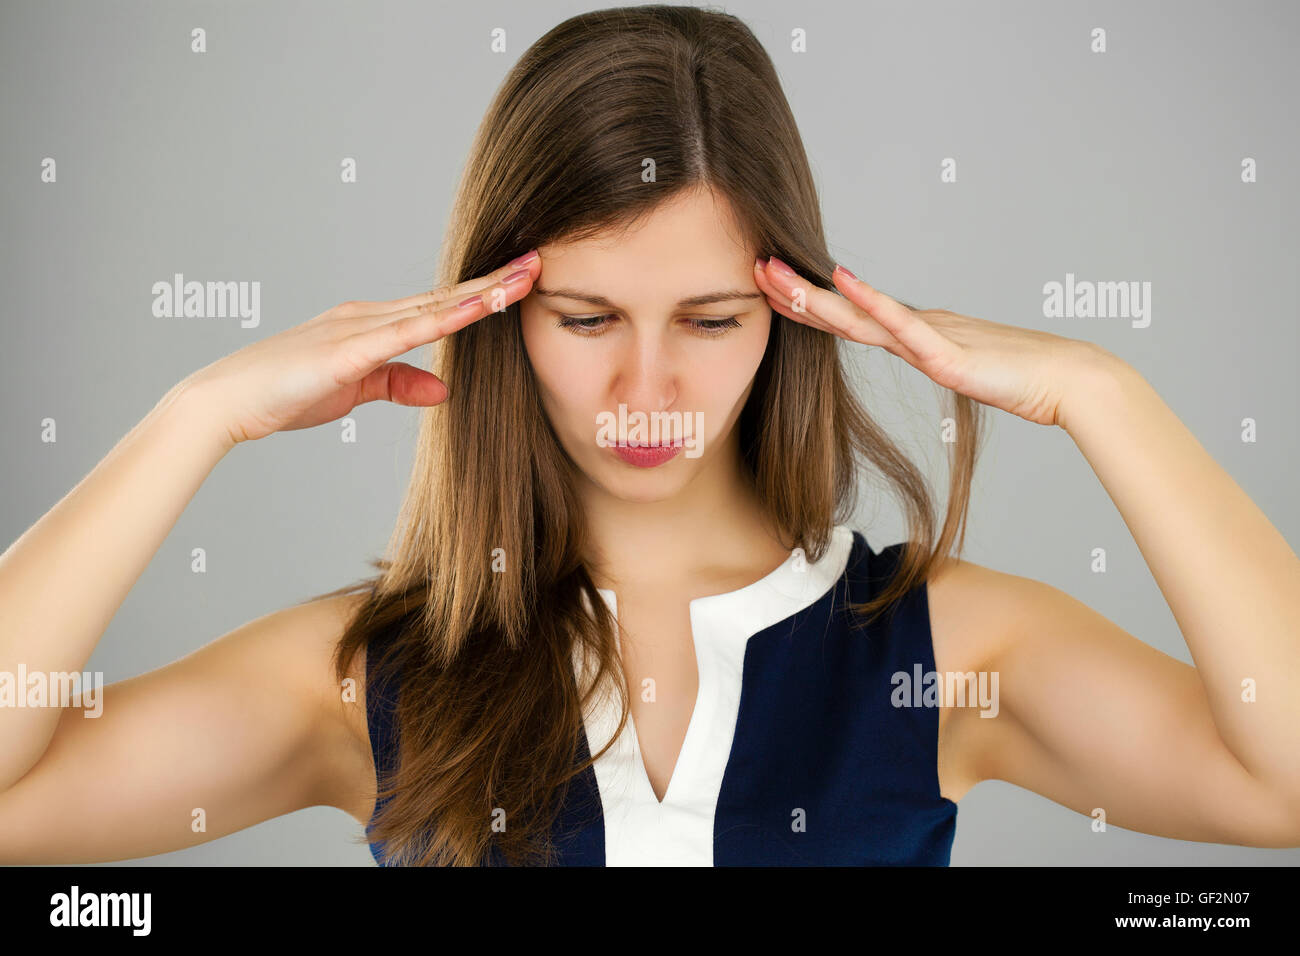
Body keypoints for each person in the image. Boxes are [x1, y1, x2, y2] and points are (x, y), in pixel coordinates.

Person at [1, 5, 1296, 867]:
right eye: (586, 316)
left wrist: (1101, 392)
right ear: (501, 313)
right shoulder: (378, 671)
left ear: (791, 313)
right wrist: (198, 418)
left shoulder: (941, 647)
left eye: (714, 319)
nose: (646, 384)